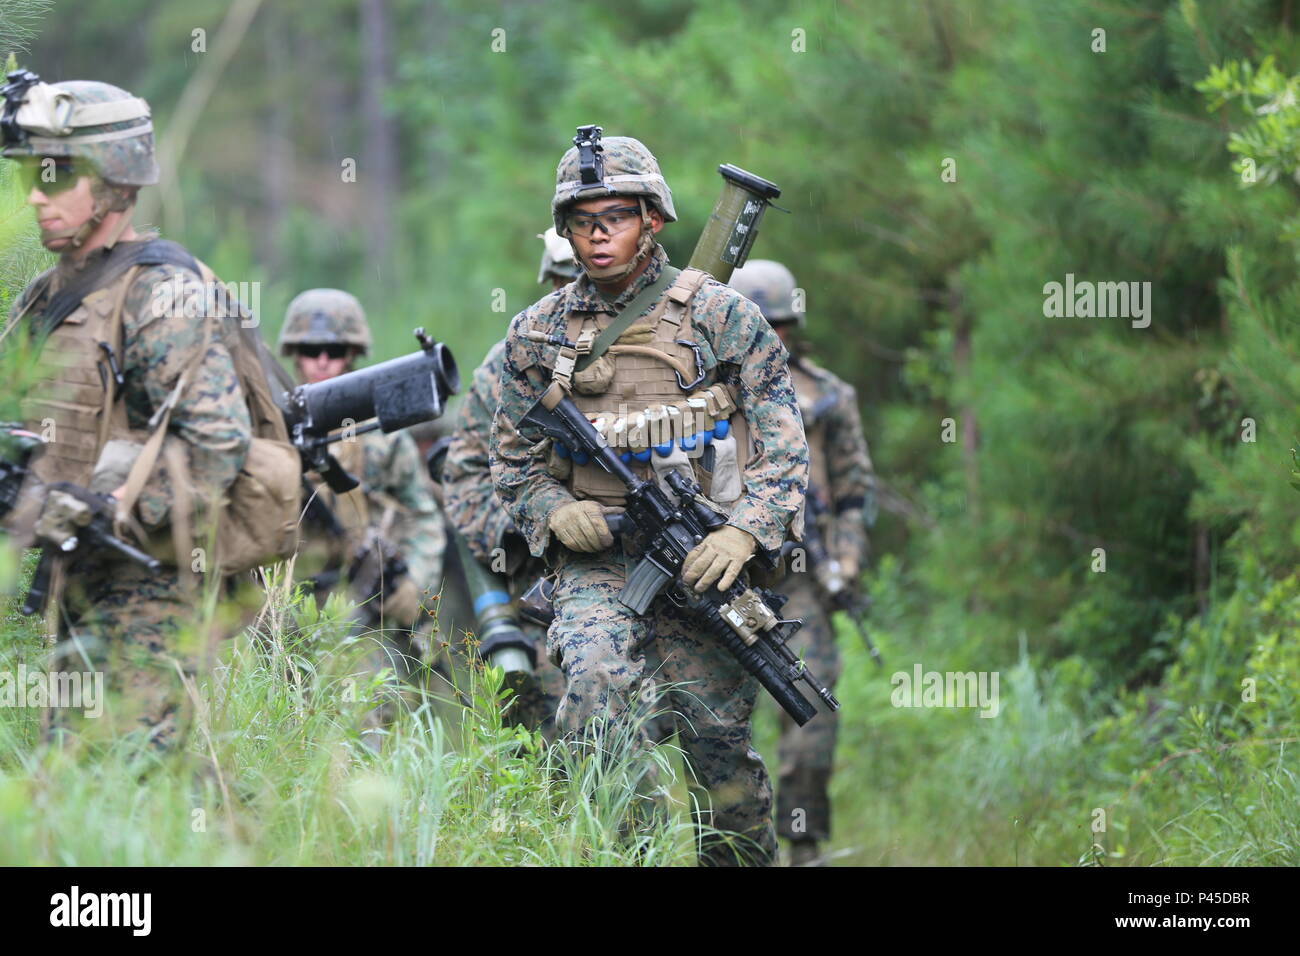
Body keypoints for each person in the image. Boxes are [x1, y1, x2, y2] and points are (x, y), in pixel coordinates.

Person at [489, 130, 809, 865]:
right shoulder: (537, 333)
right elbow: (512, 460)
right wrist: (551, 510)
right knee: (597, 703)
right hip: (599, 565)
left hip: (707, 560)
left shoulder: (724, 317)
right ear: (564, 230)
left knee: (718, 755)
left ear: (653, 220)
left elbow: (785, 445)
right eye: (581, 220)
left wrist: (744, 534)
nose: (598, 236)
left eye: (616, 217)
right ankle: (623, 854)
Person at [0, 75, 253, 754]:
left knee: (139, 771)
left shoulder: (161, 297)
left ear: (114, 184)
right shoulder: (44, 296)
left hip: (148, 596)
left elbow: (218, 447)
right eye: (31, 175)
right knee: (80, 778)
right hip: (72, 586)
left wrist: (106, 509)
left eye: (56, 178)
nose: (33, 195)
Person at [730, 258, 876, 867]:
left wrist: (843, 561)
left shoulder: (828, 397)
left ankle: (804, 842)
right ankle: (730, 845)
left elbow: (852, 494)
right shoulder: (706, 394)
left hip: (802, 579)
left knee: (812, 709)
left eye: (782, 327)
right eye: (761, 326)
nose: (773, 339)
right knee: (716, 717)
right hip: (727, 580)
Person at [279, 288, 446, 735]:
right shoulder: (270, 430)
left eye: (334, 350)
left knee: (364, 714)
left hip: (359, 601)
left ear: (353, 353)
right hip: (280, 603)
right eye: (311, 350)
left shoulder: (382, 438)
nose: (322, 361)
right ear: (294, 354)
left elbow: (423, 514)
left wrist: (415, 583)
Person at [439, 229, 580, 739]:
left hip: (656, 580)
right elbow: (464, 478)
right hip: (544, 592)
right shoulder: (511, 363)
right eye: (567, 279)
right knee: (548, 750)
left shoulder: (660, 349)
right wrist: (537, 519)